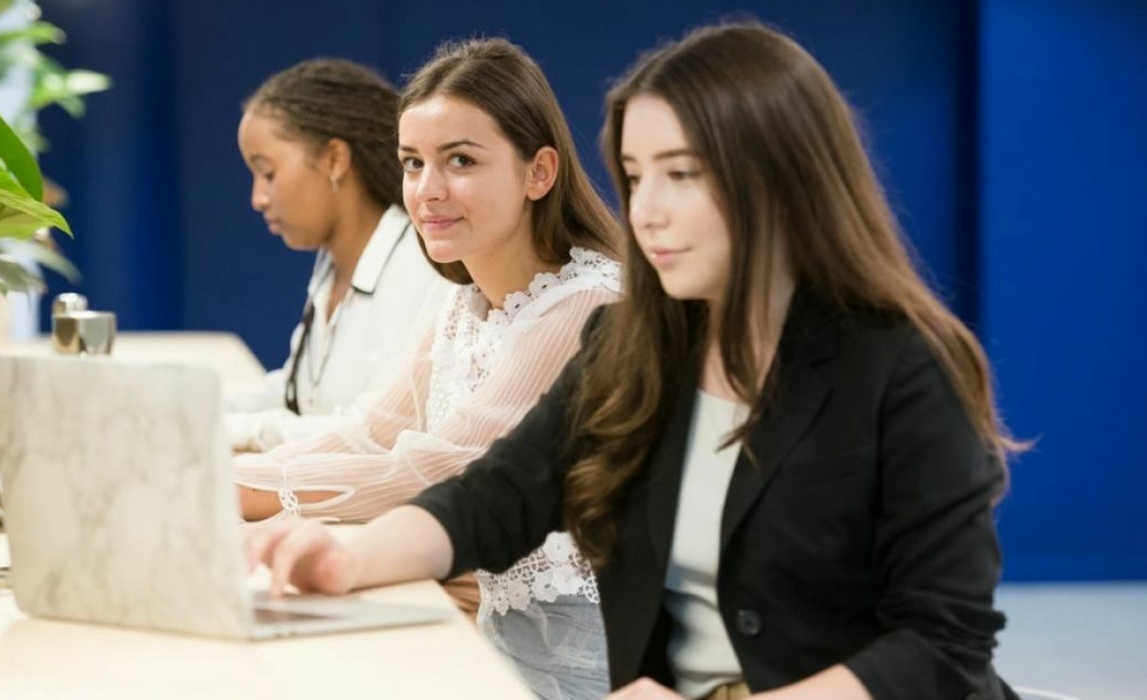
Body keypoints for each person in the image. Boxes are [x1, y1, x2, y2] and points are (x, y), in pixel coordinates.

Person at [243, 22, 1025, 700]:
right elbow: (495, 496)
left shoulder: (902, 367)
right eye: (635, 175)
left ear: (782, 182)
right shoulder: (638, 341)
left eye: (681, 174)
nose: (645, 209)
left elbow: (942, 642)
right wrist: (344, 557)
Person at [234, 39, 621, 700]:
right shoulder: (462, 300)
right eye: (413, 163)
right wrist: (217, 477)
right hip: (485, 640)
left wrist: (233, 491)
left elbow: (435, 468)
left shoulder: (585, 304)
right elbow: (369, 432)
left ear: (540, 173)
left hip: (566, 674)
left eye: (460, 161)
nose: (426, 191)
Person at [229, 59, 445, 453]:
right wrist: (197, 414)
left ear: (334, 160)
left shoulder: (418, 266)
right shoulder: (334, 262)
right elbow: (298, 393)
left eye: (268, 173)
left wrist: (233, 431)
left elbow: (376, 432)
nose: (257, 198)